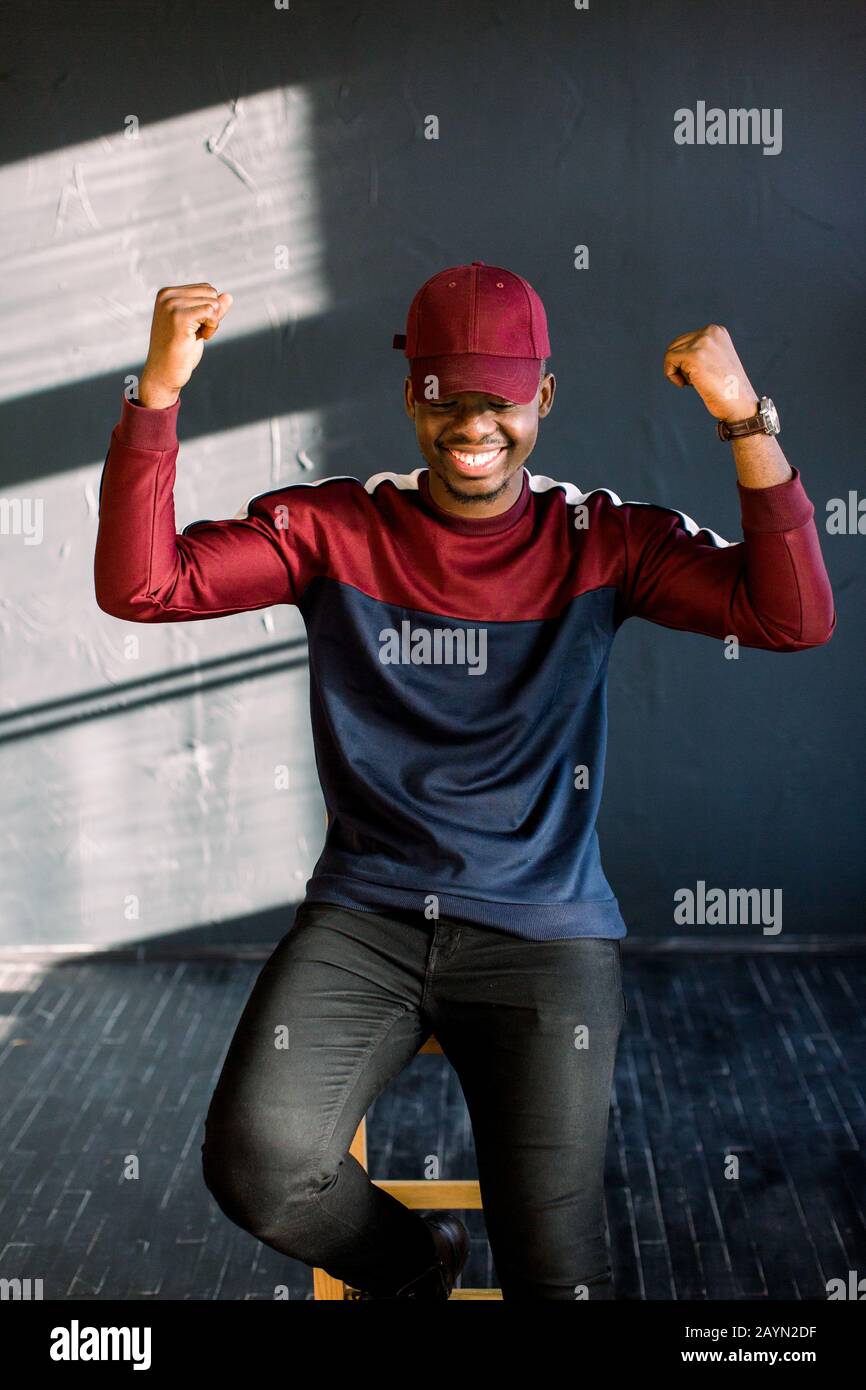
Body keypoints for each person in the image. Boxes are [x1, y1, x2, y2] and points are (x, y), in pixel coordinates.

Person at [94, 262, 836, 1300]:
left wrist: (744, 421)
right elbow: (142, 584)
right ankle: (419, 1267)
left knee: (555, 1267)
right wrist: (157, 394)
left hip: (542, 927)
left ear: (542, 396)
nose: (470, 424)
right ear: (411, 398)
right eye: (446, 397)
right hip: (366, 915)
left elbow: (791, 618)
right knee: (258, 1167)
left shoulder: (602, 539)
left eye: (499, 398)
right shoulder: (332, 527)